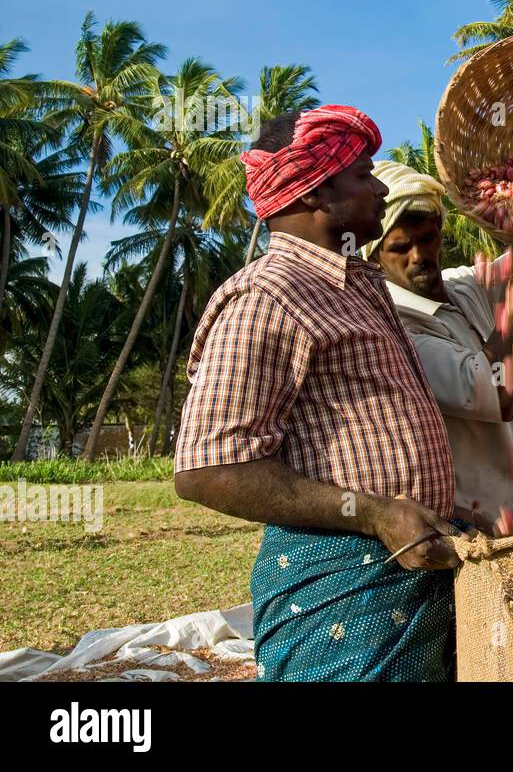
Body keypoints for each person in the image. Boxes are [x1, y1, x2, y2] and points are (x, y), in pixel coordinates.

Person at [173, 105, 467, 682]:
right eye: (362, 175)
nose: (380, 188)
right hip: (344, 584)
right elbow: (207, 469)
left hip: (407, 570)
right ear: (314, 192)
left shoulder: (357, 283)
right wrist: (377, 513)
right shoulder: (269, 296)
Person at [362, 160, 513, 536]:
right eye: (400, 247)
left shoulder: (463, 286)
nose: (418, 256)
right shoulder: (394, 330)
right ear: (374, 256)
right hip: (481, 527)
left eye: (427, 239)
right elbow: (499, 394)